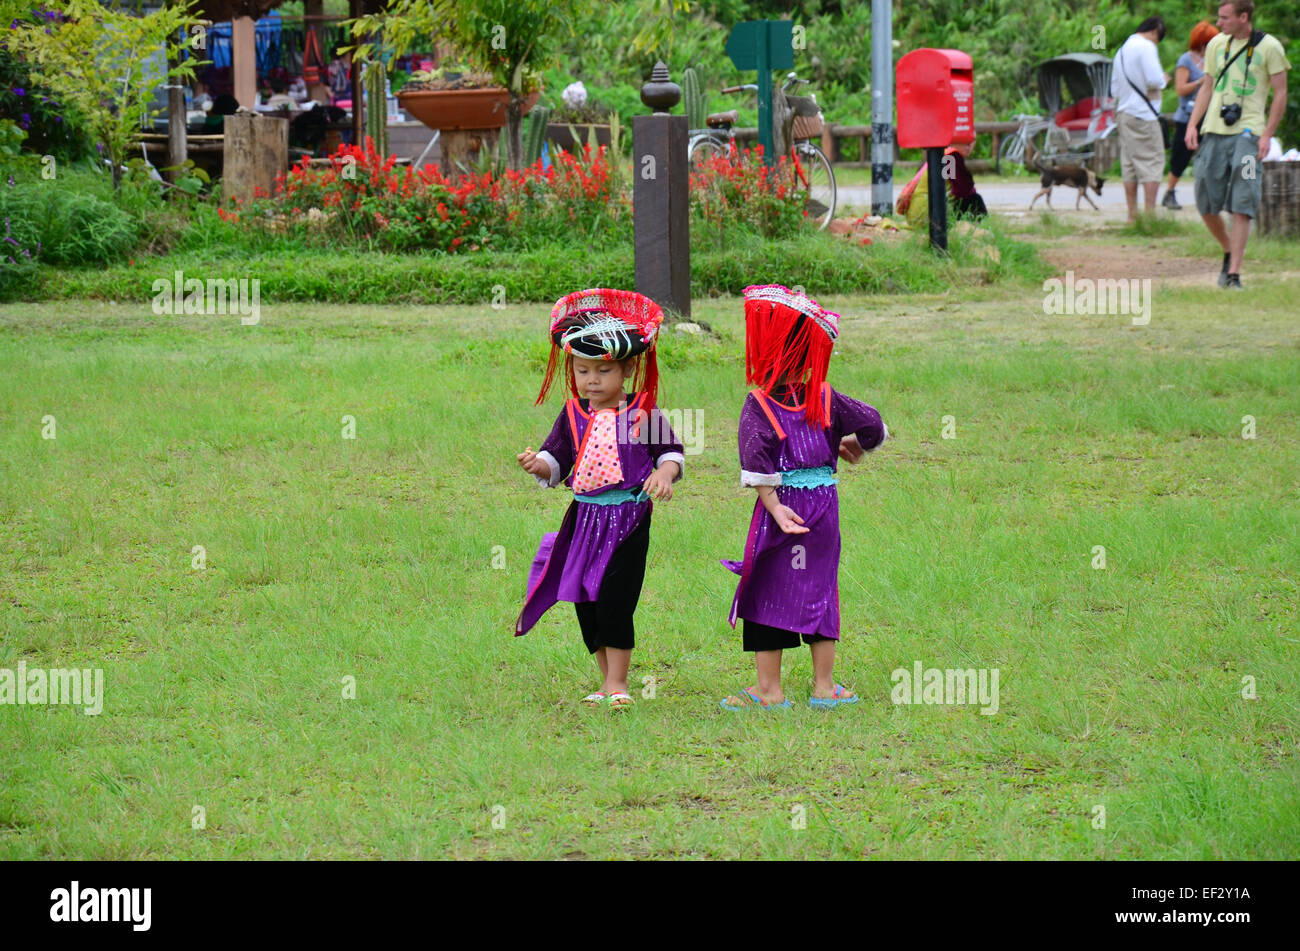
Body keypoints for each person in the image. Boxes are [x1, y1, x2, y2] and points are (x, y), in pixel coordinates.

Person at [720, 285, 888, 711]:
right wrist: (856, 447)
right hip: (822, 508)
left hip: (783, 506)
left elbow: (755, 459)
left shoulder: (758, 403)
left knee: (766, 588)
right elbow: (873, 423)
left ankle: (769, 691)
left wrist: (774, 506)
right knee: (818, 586)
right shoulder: (827, 398)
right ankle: (825, 688)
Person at [516, 288, 685, 709]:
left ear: (627, 369)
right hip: (584, 520)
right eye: (582, 370)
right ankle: (604, 681)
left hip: (628, 520)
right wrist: (539, 466)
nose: (592, 380)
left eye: (603, 371)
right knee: (585, 599)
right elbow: (557, 457)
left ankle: (619, 682)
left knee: (615, 597)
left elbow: (671, 454)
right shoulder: (573, 413)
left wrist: (664, 474)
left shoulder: (643, 412)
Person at [1186, 0, 1291, 290]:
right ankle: (1229, 248)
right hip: (1214, 132)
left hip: (1250, 135)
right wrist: (1193, 124)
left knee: (1243, 199)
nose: (1219, 23)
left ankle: (1233, 274)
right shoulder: (1216, 45)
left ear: (1244, 17)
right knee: (1205, 199)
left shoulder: (1270, 47)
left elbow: (1281, 93)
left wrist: (1268, 134)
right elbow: (1207, 85)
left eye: (1225, 18)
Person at [1111, 16, 1170, 223]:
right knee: (1152, 162)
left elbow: (1114, 89)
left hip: (1124, 114)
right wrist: (1164, 79)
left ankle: (1132, 216)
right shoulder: (1146, 47)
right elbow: (1155, 79)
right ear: (1155, 31)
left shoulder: (1122, 50)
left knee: (1129, 165)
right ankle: (1150, 216)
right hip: (1143, 115)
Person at [1162, 21, 1220, 209]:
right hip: (1187, 116)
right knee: (1181, 156)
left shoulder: (1216, 59)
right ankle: (1170, 192)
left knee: (1211, 156)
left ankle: (1211, 194)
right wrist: (1200, 82)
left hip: (1211, 116)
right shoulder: (1185, 60)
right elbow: (1180, 89)